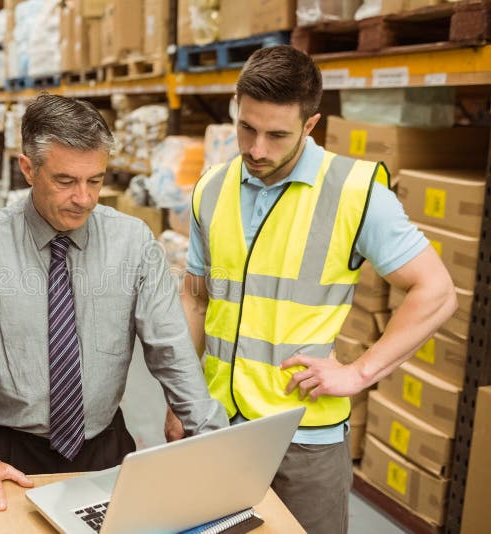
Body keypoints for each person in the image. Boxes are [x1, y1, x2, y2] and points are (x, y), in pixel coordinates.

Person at [164, 45, 457, 534]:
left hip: (302, 438)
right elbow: (196, 297)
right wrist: (181, 396)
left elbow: (437, 291)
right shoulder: (211, 187)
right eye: (247, 128)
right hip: (215, 424)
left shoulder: (354, 191)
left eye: (277, 134)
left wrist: (360, 372)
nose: (257, 149)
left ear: (310, 125)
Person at [0, 93, 228, 516]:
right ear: (28, 168)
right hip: (6, 456)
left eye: (95, 181)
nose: (83, 198)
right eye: (65, 181)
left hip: (104, 449)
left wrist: (211, 437)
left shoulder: (133, 243)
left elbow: (171, 349)